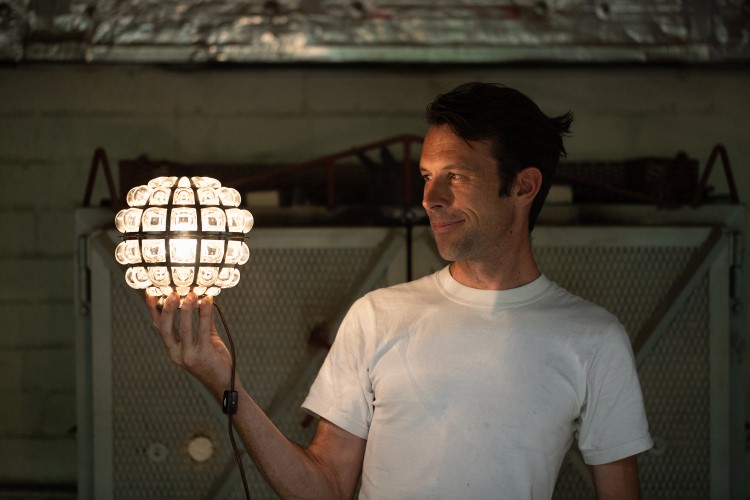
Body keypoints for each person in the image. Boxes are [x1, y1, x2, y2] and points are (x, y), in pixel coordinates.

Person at [148, 82, 653, 499]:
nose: (431, 198)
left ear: (524, 186)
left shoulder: (594, 339)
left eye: (456, 176)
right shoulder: (377, 316)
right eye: (427, 176)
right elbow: (324, 489)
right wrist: (222, 379)